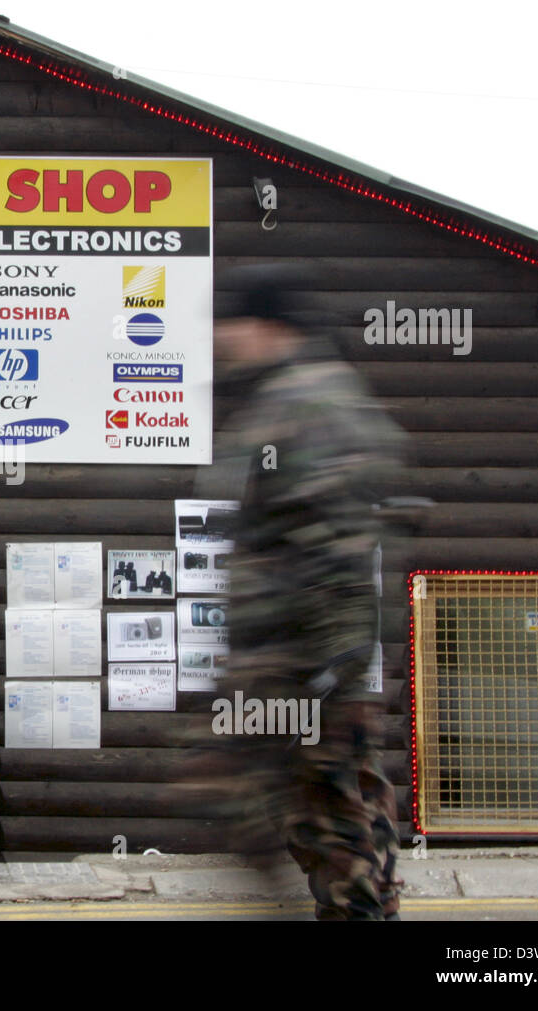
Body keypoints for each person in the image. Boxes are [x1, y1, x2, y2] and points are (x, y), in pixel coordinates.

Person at [200, 264, 407, 920]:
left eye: (228, 323)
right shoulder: (298, 395)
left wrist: (324, 668)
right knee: (339, 804)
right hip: (297, 660)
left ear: (264, 324)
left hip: (297, 663)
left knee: (323, 815)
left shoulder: (308, 402)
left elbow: (338, 540)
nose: (218, 337)